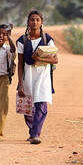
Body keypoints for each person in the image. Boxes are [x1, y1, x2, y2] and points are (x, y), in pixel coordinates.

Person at [16, 9, 58, 144]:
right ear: (28, 22)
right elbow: (21, 63)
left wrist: (39, 58)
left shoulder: (47, 40)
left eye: (37, 20)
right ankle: (32, 130)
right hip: (28, 76)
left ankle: (35, 134)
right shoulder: (22, 41)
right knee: (27, 108)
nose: (35, 22)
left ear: (41, 22)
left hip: (43, 77)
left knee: (41, 105)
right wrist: (20, 84)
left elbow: (55, 60)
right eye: (32, 20)